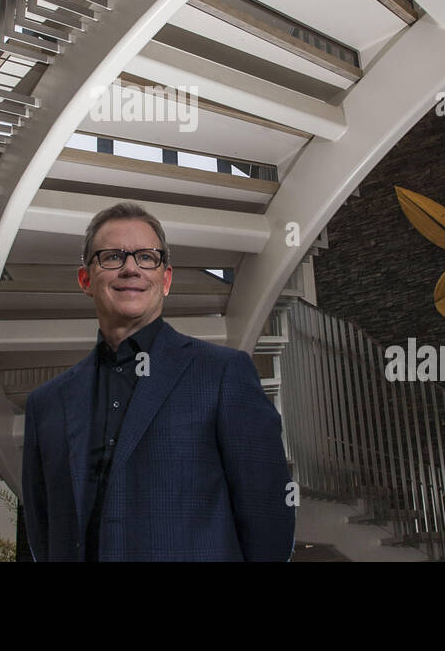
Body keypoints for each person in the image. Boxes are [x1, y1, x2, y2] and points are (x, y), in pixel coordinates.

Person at [21, 201, 296, 561]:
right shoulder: (46, 405)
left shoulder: (224, 376)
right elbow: (45, 534)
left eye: (147, 257)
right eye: (112, 257)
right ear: (85, 280)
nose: (130, 268)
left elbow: (268, 519)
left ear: (165, 279)